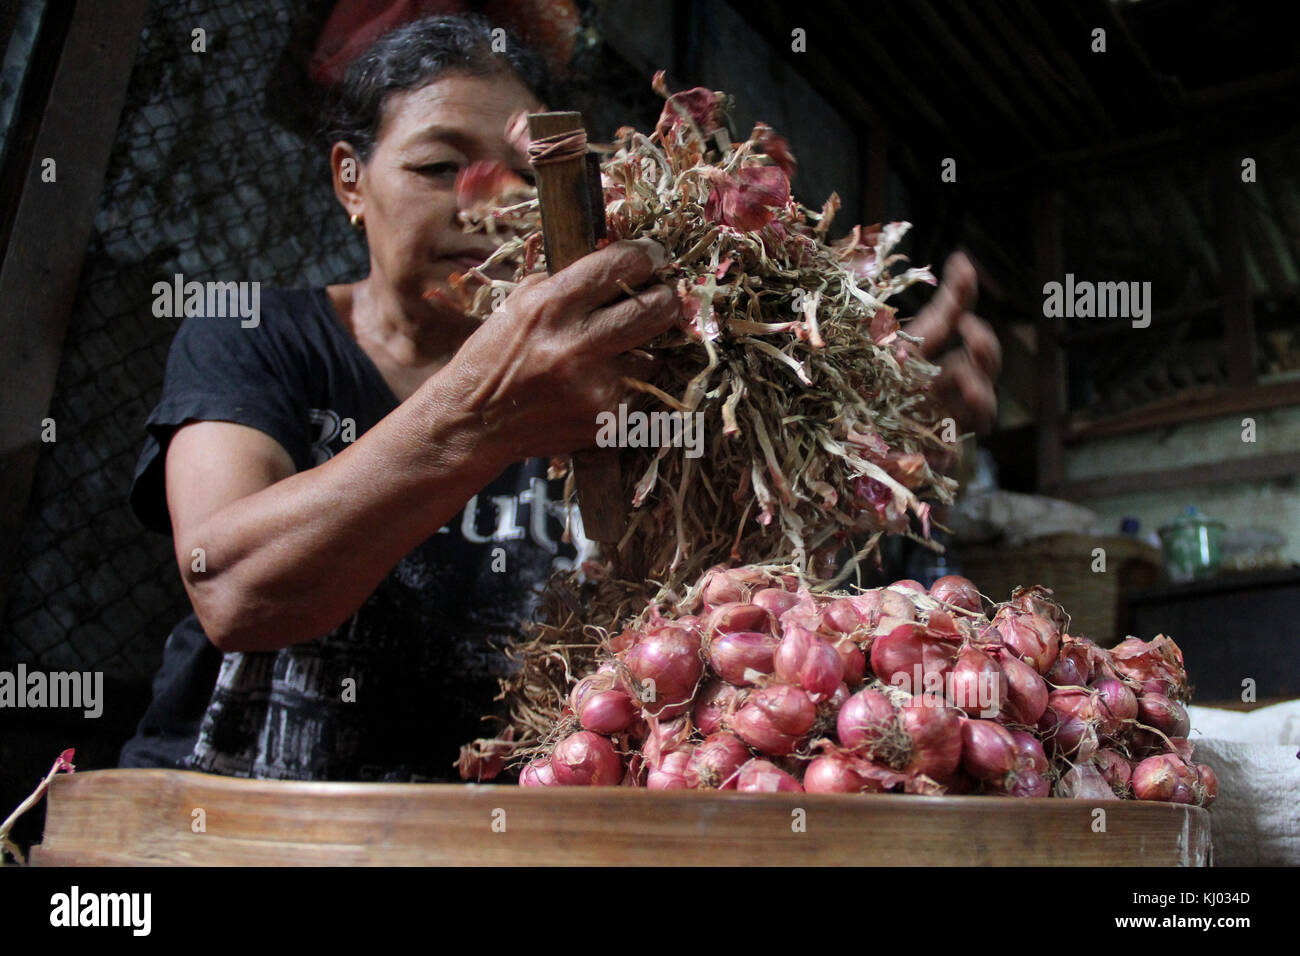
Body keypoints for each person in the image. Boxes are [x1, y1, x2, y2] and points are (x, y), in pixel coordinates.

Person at [119, 14, 999, 782]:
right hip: (229, 820)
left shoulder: (616, 381)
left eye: (520, 178)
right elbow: (232, 589)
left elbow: (729, 607)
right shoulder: (255, 335)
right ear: (349, 178)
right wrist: (484, 415)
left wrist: (869, 442)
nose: (487, 210)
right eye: (437, 167)